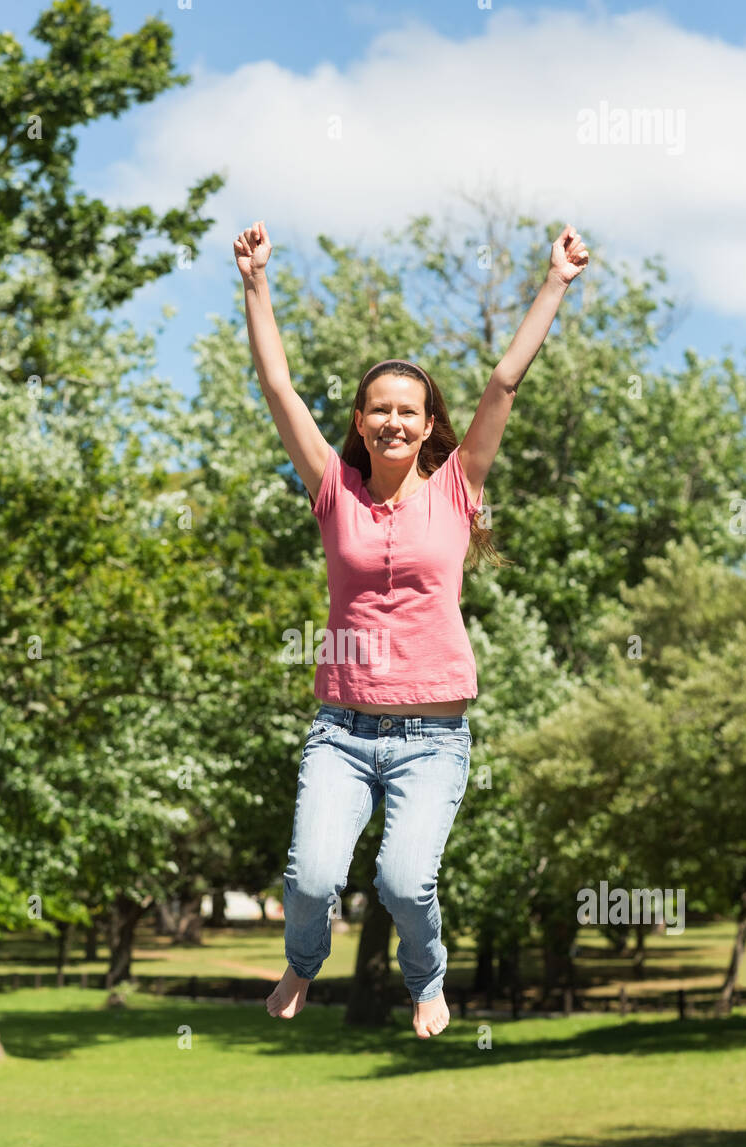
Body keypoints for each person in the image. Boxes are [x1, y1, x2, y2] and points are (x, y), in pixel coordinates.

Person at [234, 219, 589, 1037]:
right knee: (312, 877)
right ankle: (304, 960)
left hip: (434, 738)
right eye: (379, 410)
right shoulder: (333, 491)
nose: (394, 421)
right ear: (359, 421)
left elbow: (501, 384)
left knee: (402, 883)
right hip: (341, 730)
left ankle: (424, 979)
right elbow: (279, 387)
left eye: (410, 411)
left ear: (429, 426)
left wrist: (555, 283)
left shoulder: (457, 490)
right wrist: (257, 282)